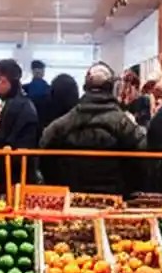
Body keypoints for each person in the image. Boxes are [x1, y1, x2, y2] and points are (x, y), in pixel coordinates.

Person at [39, 63, 145, 194]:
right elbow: (142, 156)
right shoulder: (123, 123)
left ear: (85, 87)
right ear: (111, 88)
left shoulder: (64, 123)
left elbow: (43, 149)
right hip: (114, 198)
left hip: (72, 196)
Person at [0, 59, 39, 194]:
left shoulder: (17, 106)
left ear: (6, 80)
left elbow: (8, 143)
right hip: (14, 174)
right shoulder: (16, 103)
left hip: (14, 177)